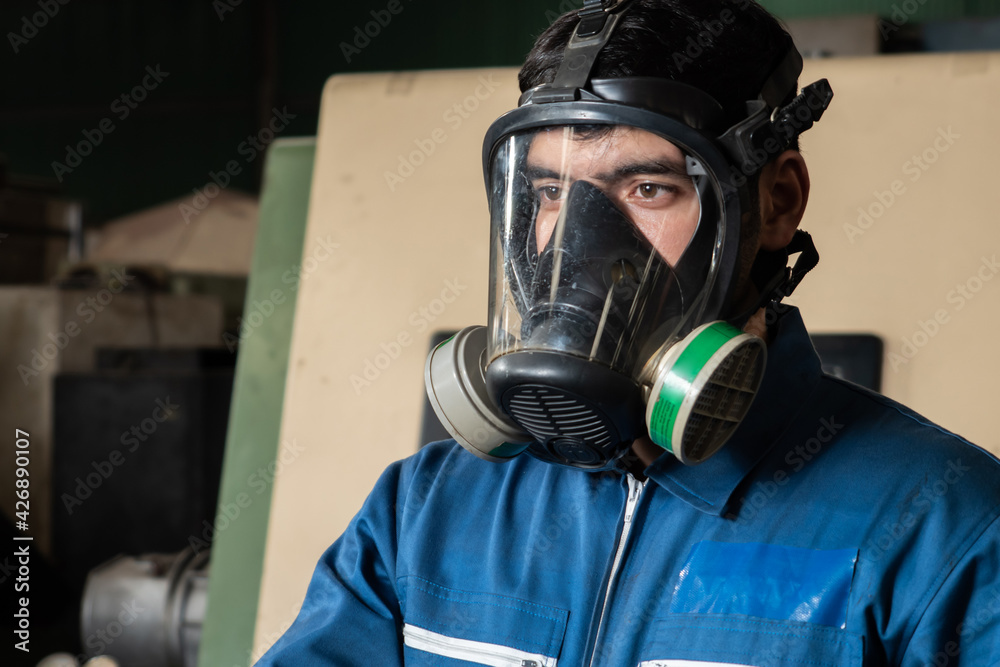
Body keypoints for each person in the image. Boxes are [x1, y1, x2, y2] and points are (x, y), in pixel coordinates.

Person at [256, 1, 1000, 665]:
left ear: (777, 202)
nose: (577, 242)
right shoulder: (424, 513)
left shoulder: (943, 528)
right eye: (550, 191)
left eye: (647, 188)